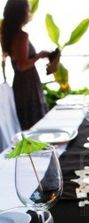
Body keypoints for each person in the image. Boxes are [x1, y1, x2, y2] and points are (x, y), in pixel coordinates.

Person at [0, 0, 49, 130]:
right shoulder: (21, 36)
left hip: (21, 85)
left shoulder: (10, 35)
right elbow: (22, 65)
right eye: (27, 10)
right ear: (21, 13)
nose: (29, 13)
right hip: (27, 85)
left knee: (27, 123)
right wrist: (39, 56)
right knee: (34, 123)